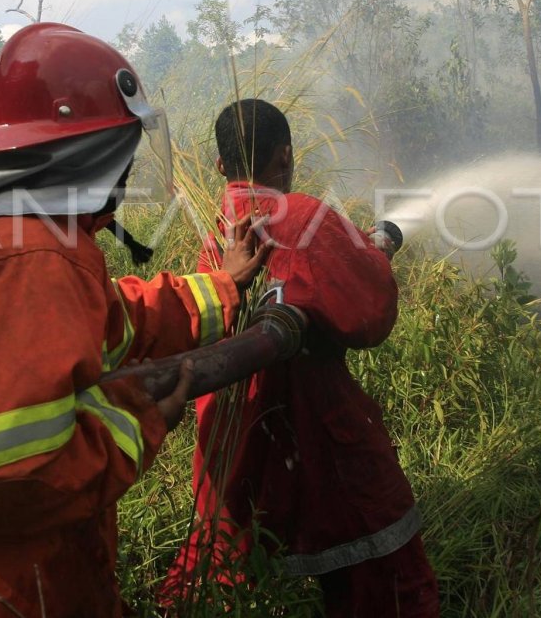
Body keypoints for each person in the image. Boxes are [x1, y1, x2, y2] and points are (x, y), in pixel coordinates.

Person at [0, 23, 270, 618]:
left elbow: (120, 323)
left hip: (15, 573)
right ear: (90, 152)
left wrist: (225, 285)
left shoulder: (31, 244)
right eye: (123, 150)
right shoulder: (28, 260)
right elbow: (10, 471)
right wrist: (140, 421)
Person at [162, 98, 440, 617]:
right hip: (308, 417)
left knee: (226, 554)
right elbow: (369, 311)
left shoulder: (219, 222)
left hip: (229, 422)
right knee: (381, 556)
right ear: (285, 156)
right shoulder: (306, 216)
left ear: (221, 166)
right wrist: (376, 252)